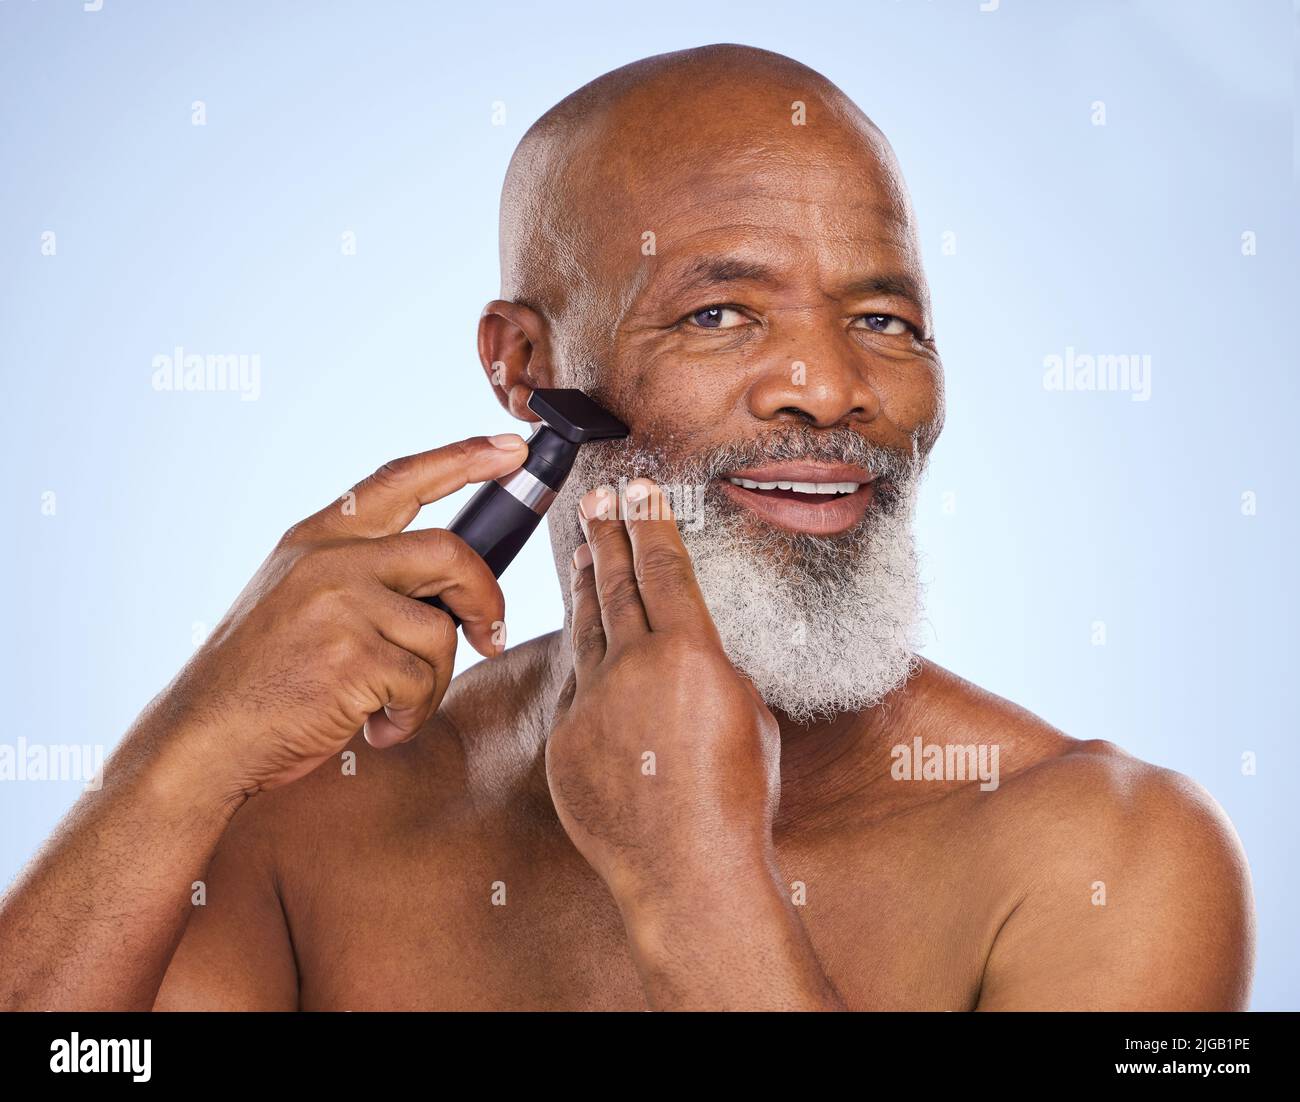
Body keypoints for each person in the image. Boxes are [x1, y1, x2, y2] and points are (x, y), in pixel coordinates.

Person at [0, 44, 1254, 1011]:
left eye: (884, 321)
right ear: (526, 365)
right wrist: (181, 752)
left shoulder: (1120, 851)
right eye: (717, 314)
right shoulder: (304, 820)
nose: (829, 387)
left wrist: (695, 888)